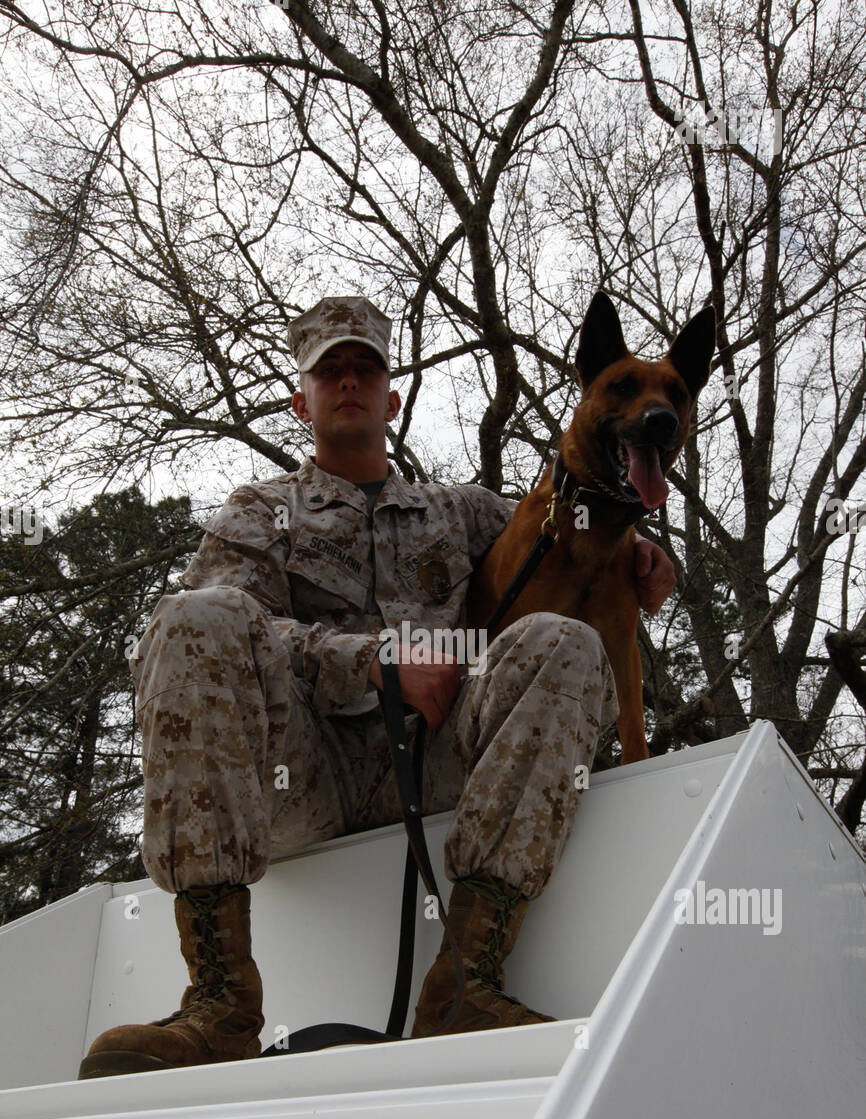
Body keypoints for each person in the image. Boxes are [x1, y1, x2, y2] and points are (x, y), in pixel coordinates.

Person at [77, 296, 675, 1079]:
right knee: (198, 616)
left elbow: (571, 531)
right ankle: (220, 1004)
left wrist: (652, 553)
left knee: (562, 641)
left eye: (366, 367)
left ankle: (467, 983)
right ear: (304, 401)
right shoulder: (259, 512)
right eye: (331, 371)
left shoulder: (462, 512)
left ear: (392, 399)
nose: (350, 381)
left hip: (439, 765)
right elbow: (239, 633)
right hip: (303, 778)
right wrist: (372, 658)